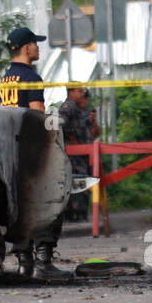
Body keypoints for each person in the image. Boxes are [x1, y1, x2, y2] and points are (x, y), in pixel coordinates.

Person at [0, 26, 70, 281]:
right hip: (33, 152)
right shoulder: (31, 78)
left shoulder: (5, 78)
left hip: (10, 150)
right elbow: (37, 116)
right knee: (48, 202)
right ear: (26, 47)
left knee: (20, 206)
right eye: (35, 44)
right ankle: (43, 263)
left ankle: (23, 263)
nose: (38, 48)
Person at [59, 85, 100, 220]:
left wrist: (93, 121)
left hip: (84, 153)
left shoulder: (82, 111)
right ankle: (71, 214)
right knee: (74, 181)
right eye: (80, 91)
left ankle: (81, 213)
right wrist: (72, 139)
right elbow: (60, 125)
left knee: (83, 182)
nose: (83, 95)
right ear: (71, 91)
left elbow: (95, 133)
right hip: (72, 154)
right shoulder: (68, 107)